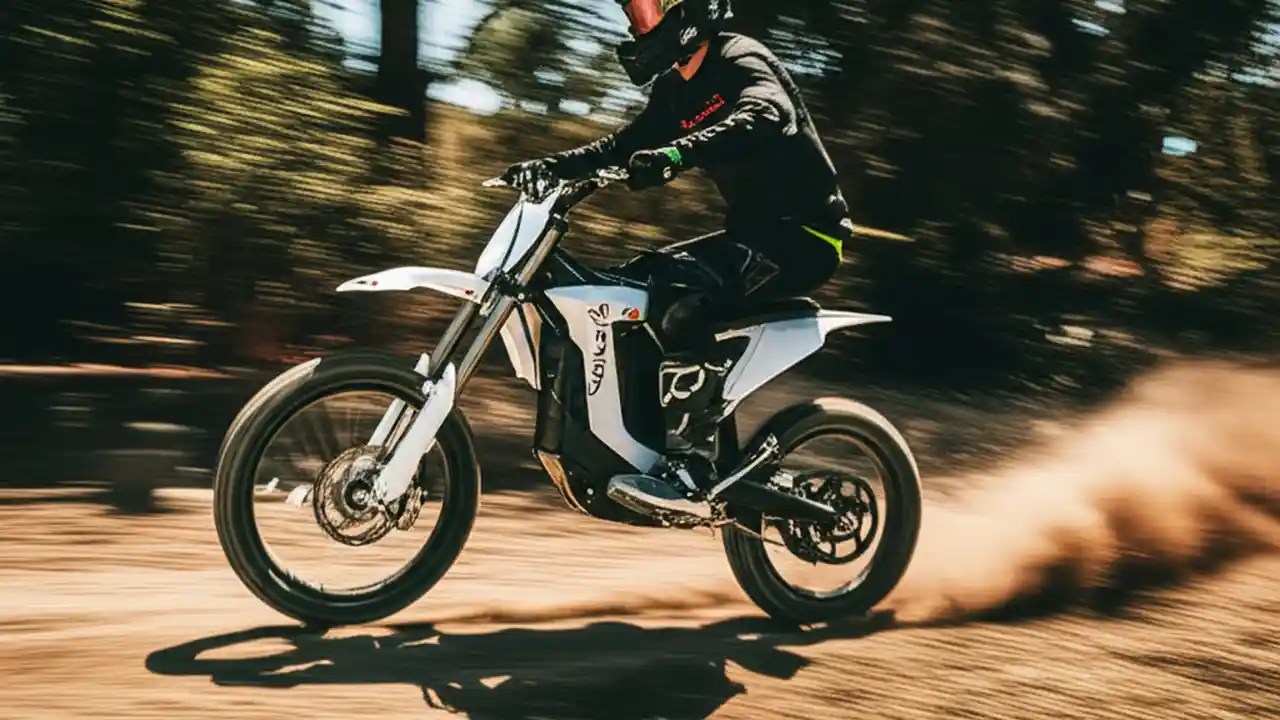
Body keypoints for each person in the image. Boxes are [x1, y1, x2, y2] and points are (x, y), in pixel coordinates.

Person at [502, 0, 855, 518]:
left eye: (646, 10)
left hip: (805, 238)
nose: (636, 25)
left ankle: (689, 463)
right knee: (633, 286)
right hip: (751, 237)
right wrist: (550, 167)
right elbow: (624, 145)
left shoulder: (739, 57)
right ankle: (644, 448)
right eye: (633, 13)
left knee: (683, 302)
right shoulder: (676, 90)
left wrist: (675, 155)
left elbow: (768, 113)